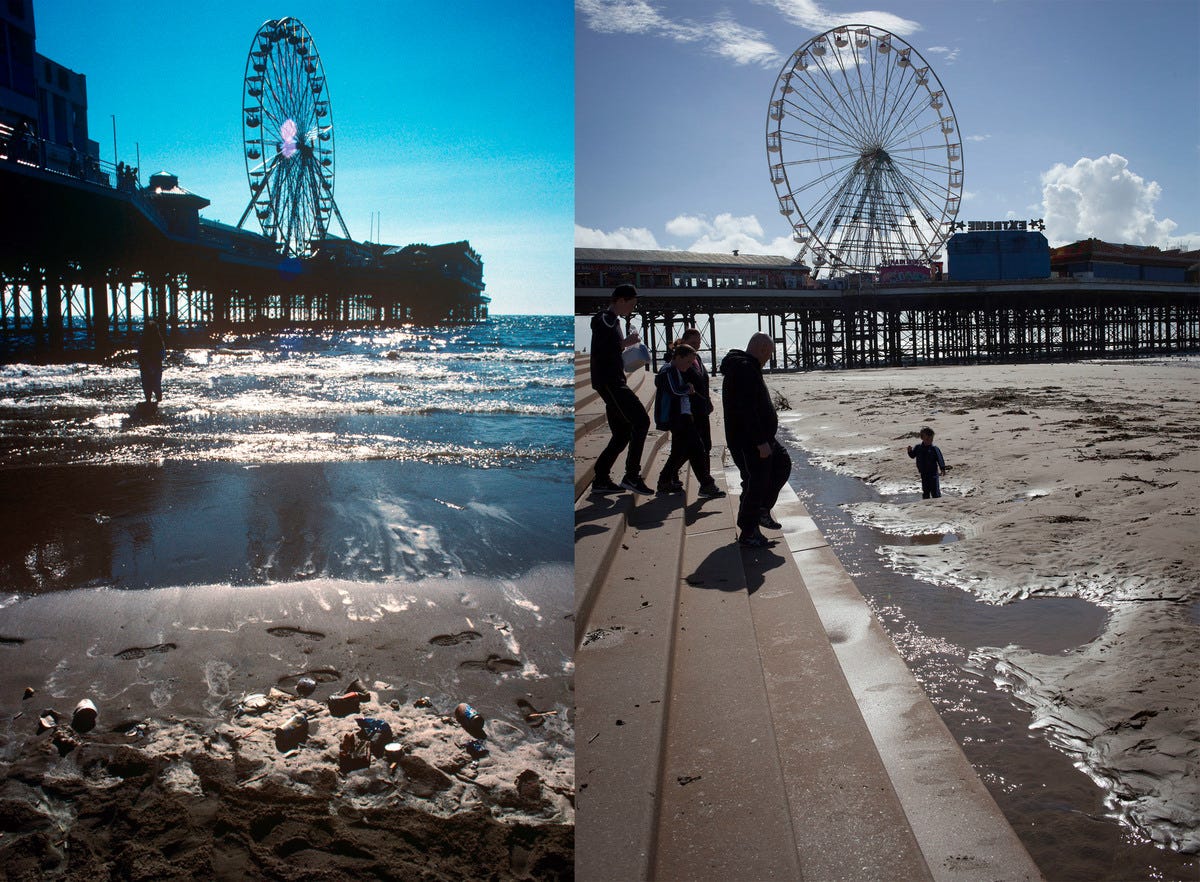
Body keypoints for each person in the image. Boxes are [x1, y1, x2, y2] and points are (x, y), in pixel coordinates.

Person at [720, 333, 791, 548]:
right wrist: (760, 441)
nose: (769, 358)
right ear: (761, 349)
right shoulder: (743, 369)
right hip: (748, 439)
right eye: (769, 354)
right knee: (755, 481)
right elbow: (746, 409)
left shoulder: (747, 366)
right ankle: (749, 530)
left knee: (782, 463)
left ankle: (761, 510)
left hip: (759, 436)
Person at [589, 284, 652, 495]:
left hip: (613, 379)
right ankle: (632, 476)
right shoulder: (604, 319)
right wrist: (625, 343)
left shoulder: (613, 321)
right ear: (621, 300)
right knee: (642, 421)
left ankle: (601, 477)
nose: (632, 310)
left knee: (623, 432)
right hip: (610, 382)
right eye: (631, 304)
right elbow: (602, 350)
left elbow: (609, 349)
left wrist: (625, 346)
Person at [653, 343, 725, 499]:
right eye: (687, 362)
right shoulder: (668, 370)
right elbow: (674, 390)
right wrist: (688, 389)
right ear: (678, 357)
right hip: (676, 417)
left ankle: (665, 480)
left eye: (691, 363)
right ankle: (706, 484)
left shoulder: (675, 369)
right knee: (697, 448)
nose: (688, 366)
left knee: (680, 450)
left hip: (683, 415)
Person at [679, 328, 713, 453]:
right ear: (683, 341)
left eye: (698, 343)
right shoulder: (679, 361)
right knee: (692, 447)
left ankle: (705, 473)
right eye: (693, 343)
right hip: (690, 411)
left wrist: (708, 401)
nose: (697, 346)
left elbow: (703, 381)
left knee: (706, 445)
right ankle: (669, 473)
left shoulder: (697, 358)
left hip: (702, 408)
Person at [907, 427, 949, 499]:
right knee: (925, 489)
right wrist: (909, 451)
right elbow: (912, 456)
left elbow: (940, 459)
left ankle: (937, 500)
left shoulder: (934, 448)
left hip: (933, 473)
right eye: (927, 439)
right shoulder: (918, 447)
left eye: (931, 439)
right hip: (923, 472)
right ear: (922, 438)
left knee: (935, 489)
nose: (929, 441)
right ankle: (926, 502)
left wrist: (942, 468)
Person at [137, 320, 166, 405]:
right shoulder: (159, 339)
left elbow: (140, 353)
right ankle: (158, 402)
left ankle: (149, 402)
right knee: (156, 384)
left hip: (146, 365)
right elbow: (162, 354)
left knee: (147, 385)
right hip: (156, 364)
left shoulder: (143, 339)